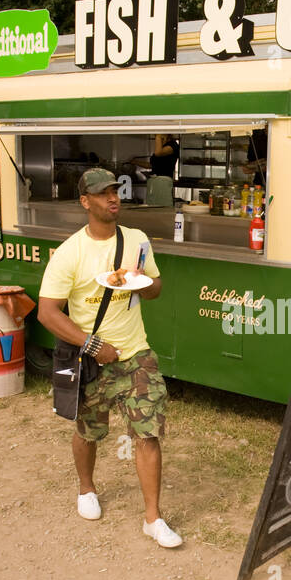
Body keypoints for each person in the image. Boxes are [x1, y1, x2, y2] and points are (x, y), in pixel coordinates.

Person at [37, 167, 182, 546]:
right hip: (92, 359)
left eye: (115, 191)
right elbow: (47, 313)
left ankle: (153, 518)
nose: (112, 199)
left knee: (148, 434)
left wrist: (142, 282)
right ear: (85, 202)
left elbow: (156, 287)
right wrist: (91, 345)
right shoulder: (70, 252)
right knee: (89, 431)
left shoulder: (136, 240)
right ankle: (86, 488)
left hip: (137, 354)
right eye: (102, 194)